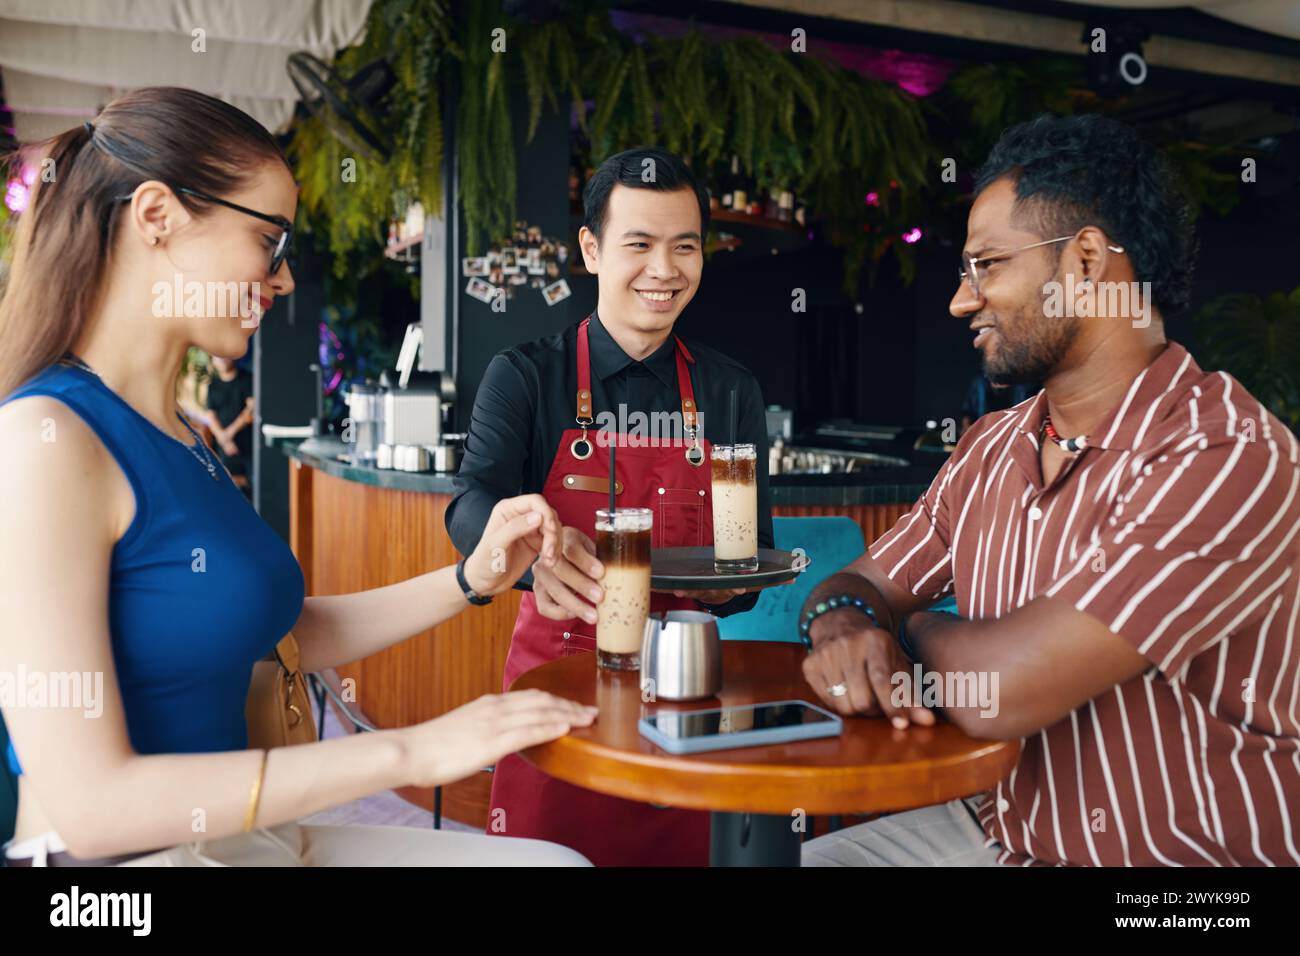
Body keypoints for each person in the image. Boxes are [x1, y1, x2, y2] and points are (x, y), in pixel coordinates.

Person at [0, 87, 597, 867]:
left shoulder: (173, 433)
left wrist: (473, 577)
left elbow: (279, 635)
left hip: (232, 842)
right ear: (157, 217)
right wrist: (409, 754)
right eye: (267, 241)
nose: (281, 280)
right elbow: (92, 809)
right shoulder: (46, 441)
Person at [797, 114, 1300, 866]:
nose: (960, 302)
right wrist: (843, 624)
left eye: (987, 265)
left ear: (1088, 262)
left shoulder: (1227, 453)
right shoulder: (990, 448)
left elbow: (1008, 691)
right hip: (994, 833)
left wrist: (913, 630)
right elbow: (857, 583)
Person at [446, 147, 774, 866]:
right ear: (591, 250)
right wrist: (530, 561)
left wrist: (738, 580)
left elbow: (750, 555)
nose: (664, 269)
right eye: (639, 245)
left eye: (684, 246)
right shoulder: (527, 376)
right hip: (557, 692)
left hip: (687, 698)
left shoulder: (729, 392)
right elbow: (469, 503)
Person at [204, 354, 254, 496]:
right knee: (225, 488)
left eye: (225, 355)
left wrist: (228, 434)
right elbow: (210, 415)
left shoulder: (247, 379)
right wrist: (223, 439)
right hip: (224, 448)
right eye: (217, 356)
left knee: (251, 488)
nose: (222, 359)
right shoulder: (212, 385)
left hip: (247, 446)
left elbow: (251, 410)